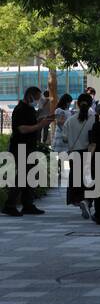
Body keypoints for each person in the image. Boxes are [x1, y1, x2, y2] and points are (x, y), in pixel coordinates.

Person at [2, 86, 58, 216]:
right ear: (30, 96)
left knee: (30, 175)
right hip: (20, 146)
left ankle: (28, 204)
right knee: (22, 175)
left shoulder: (30, 109)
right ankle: (10, 205)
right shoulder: (20, 109)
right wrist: (40, 125)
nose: (39, 101)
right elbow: (22, 129)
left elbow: (32, 122)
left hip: (29, 146)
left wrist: (46, 119)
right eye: (37, 98)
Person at [64, 93, 96, 219]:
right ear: (91, 104)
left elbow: (65, 139)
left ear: (77, 104)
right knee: (90, 179)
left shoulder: (70, 121)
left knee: (77, 180)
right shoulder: (94, 119)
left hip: (74, 153)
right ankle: (88, 201)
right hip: (90, 153)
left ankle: (80, 200)